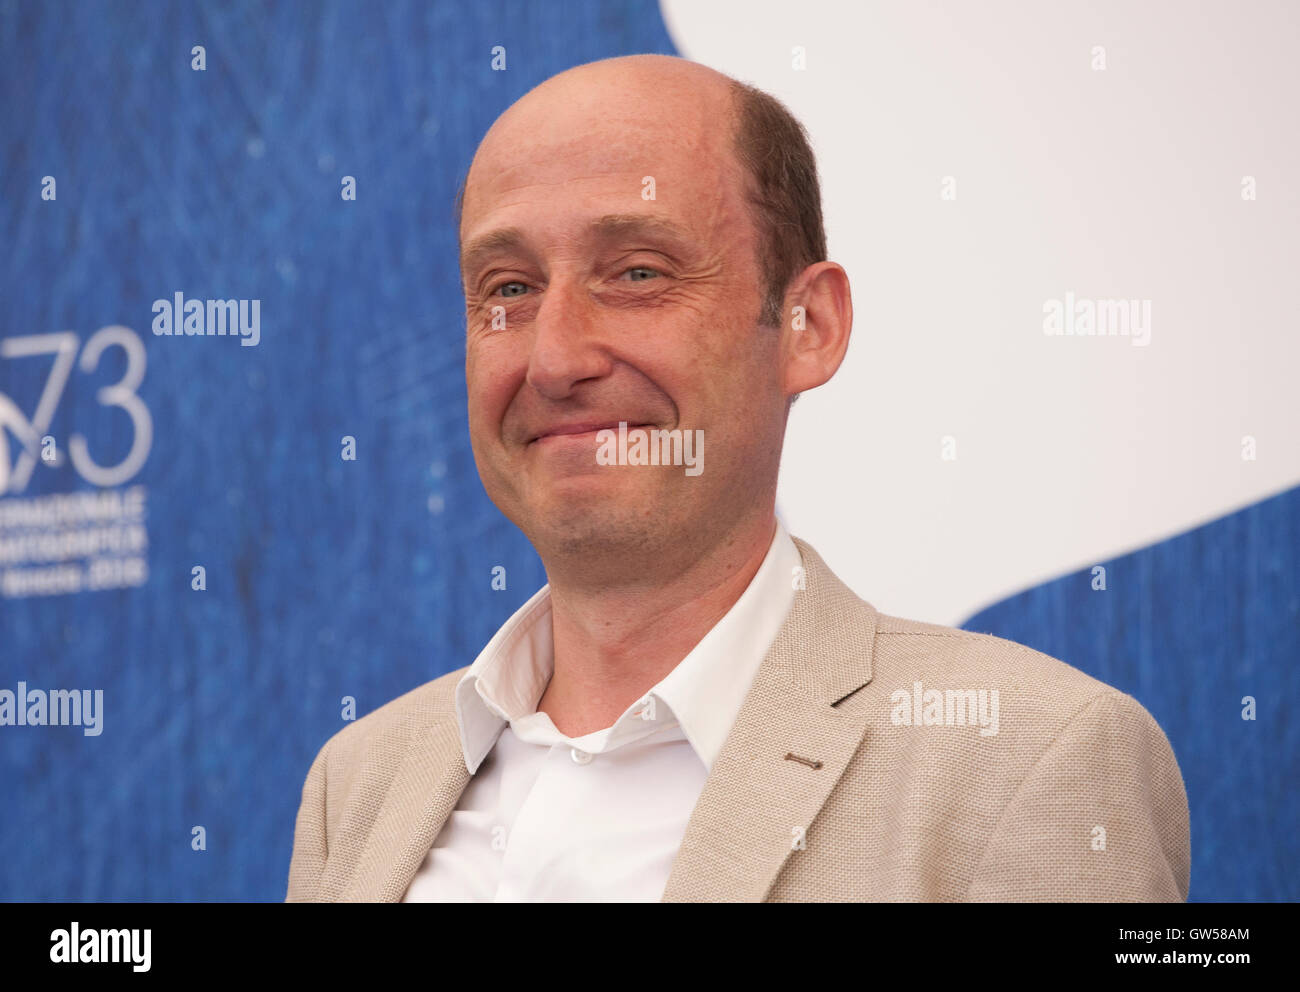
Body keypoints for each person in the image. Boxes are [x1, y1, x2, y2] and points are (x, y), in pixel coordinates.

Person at [286, 54, 1189, 902]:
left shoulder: (1034, 760)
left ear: (810, 325)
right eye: (509, 288)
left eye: (637, 272)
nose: (555, 358)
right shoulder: (358, 785)